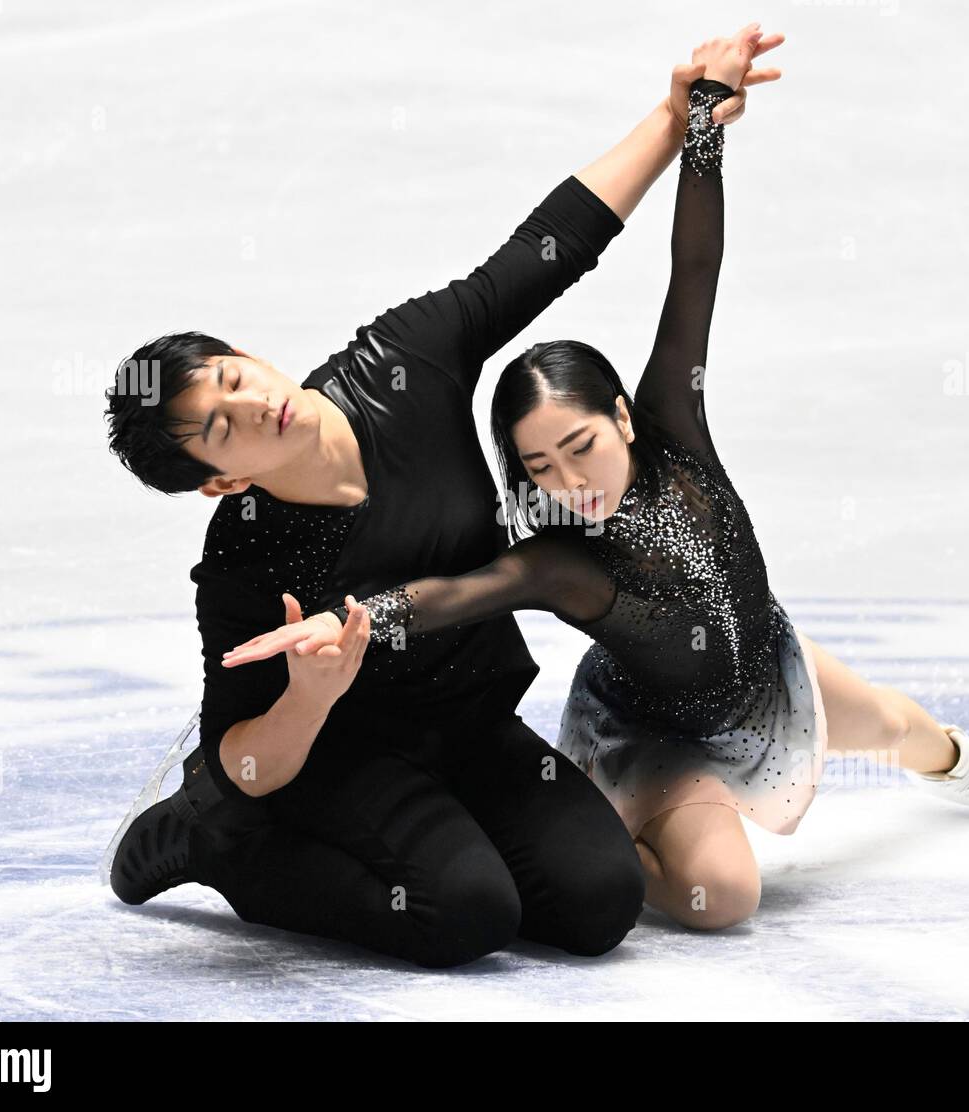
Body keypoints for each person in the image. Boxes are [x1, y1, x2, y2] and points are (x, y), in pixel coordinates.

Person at [223, 58, 969, 933]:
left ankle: (968, 763)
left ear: (625, 420)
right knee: (728, 900)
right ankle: (608, 840)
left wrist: (703, 131)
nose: (568, 481)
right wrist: (352, 621)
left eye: (579, 446)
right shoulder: (563, 562)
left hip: (763, 665)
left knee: (905, 730)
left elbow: (694, 270)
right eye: (538, 469)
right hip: (656, 734)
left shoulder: (678, 426)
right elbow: (458, 594)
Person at [103, 26, 781, 966]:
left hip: (465, 722)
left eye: (230, 375)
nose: (254, 401)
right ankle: (213, 844)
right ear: (222, 478)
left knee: (600, 904)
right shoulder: (247, 557)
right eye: (223, 426)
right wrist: (307, 696)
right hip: (337, 757)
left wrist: (677, 121)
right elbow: (245, 759)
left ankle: (458, 840)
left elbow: (548, 250)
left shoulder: (401, 364)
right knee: (463, 915)